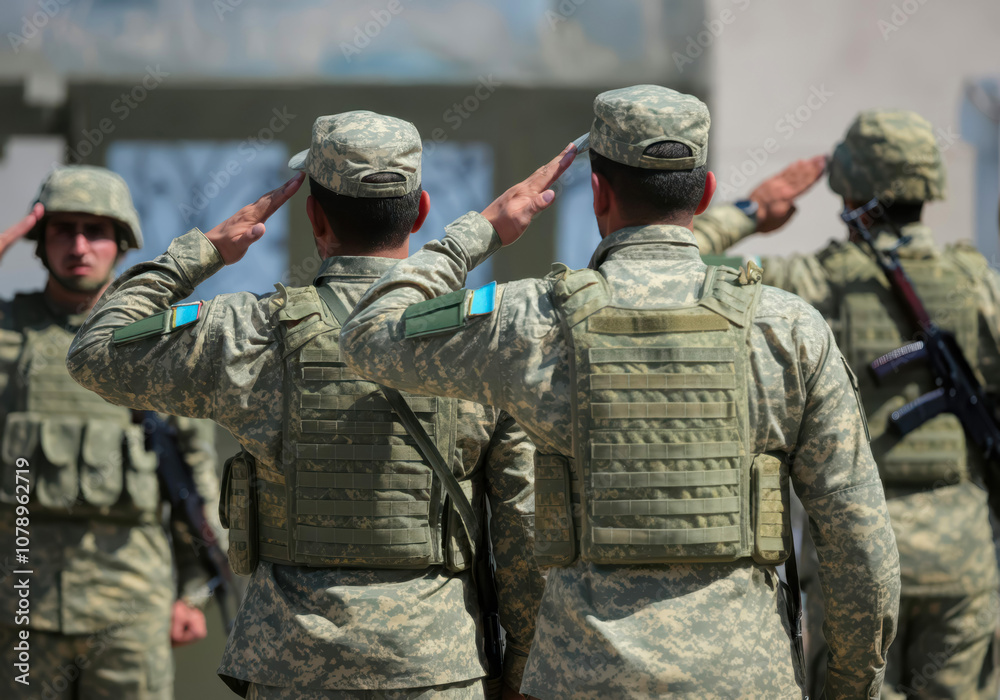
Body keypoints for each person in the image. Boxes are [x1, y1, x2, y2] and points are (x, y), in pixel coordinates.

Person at [337, 85, 901, 699]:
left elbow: (368, 336)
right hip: (746, 681)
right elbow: (859, 543)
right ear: (705, 192)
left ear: (598, 192)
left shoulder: (532, 320)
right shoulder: (790, 329)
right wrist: (852, 687)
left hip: (586, 679)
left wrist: (476, 235)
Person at [67, 111, 544, 700]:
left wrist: (201, 253)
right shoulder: (480, 336)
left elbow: (94, 350)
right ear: (420, 211)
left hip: (290, 664)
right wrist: (521, 664)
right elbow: (523, 528)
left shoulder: (252, 331)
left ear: (314, 214)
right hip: (438, 666)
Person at [696, 109, 1000, 699]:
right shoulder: (980, 283)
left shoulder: (815, 281)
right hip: (962, 551)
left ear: (848, 187)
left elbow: (682, 266)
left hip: (856, 552)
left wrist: (755, 209)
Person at [0, 165, 218, 699]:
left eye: (95, 231)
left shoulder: (158, 344)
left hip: (130, 609)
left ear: (121, 244)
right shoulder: (8, 338)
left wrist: (192, 592)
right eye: (63, 229)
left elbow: (194, 477)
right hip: (20, 608)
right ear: (39, 241)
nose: (78, 245)